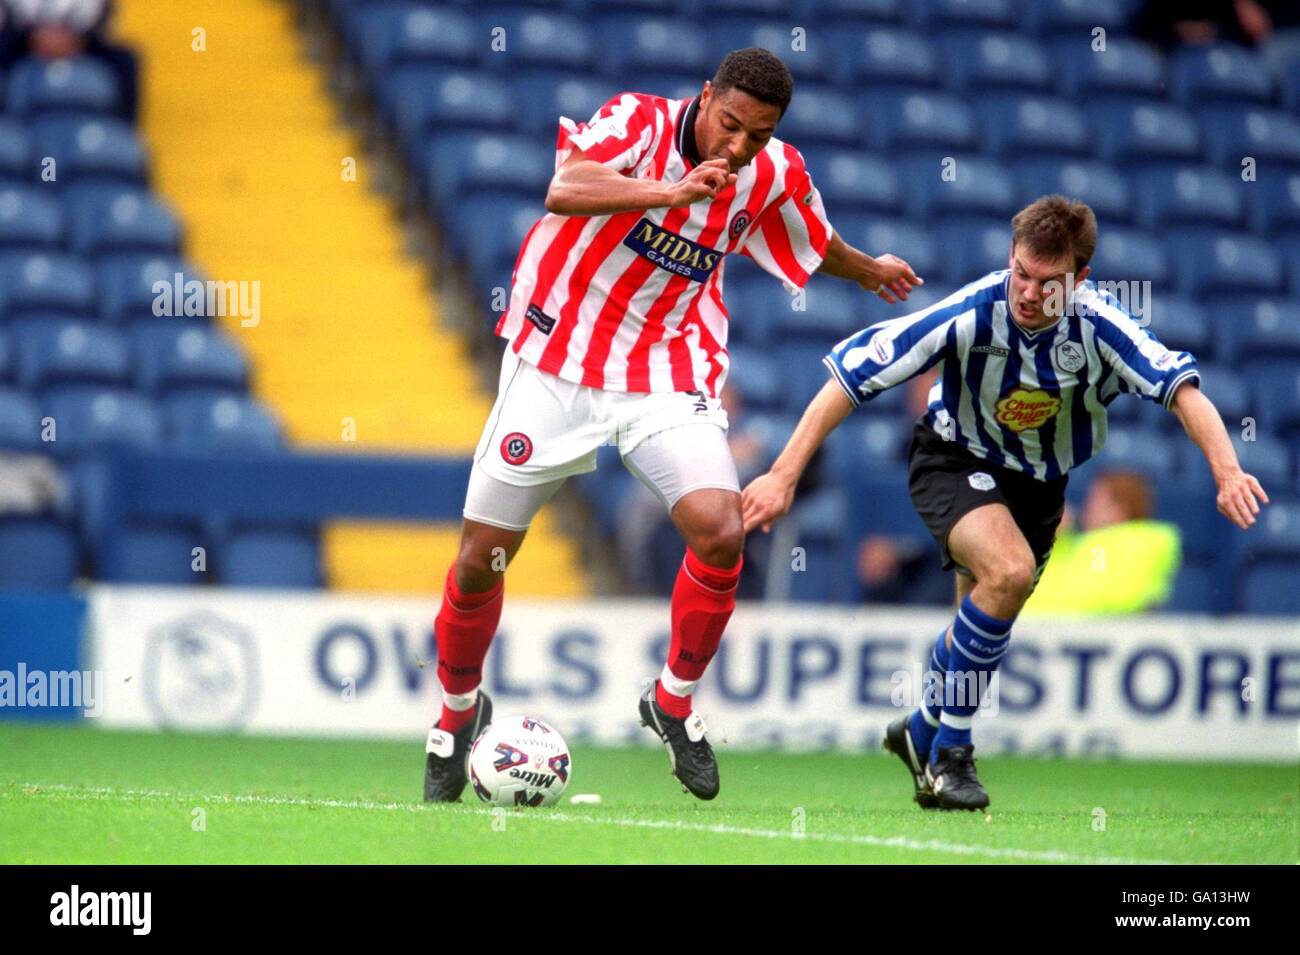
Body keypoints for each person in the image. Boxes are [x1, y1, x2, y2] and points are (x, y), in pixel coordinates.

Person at [423, 48, 921, 803]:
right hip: (556, 358)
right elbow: (565, 186)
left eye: (758, 134)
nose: (739, 146)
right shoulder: (636, 121)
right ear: (704, 98)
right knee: (480, 559)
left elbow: (815, 244)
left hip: (664, 369)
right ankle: (457, 716)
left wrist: (871, 269)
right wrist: (672, 190)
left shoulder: (773, 172)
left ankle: (674, 702)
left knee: (722, 529)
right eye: (730, 124)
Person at [741, 195, 1268, 811]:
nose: (1027, 291)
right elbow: (851, 376)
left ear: (1080, 282)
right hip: (954, 460)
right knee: (1008, 572)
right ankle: (950, 755)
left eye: (1048, 283)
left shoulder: (1102, 326)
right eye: (1020, 272)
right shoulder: (974, 310)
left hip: (1041, 487)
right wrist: (782, 473)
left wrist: (1227, 470)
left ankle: (919, 730)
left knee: (987, 614)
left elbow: (1183, 390)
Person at [1023, 470, 1182, 616]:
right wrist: (1052, 538)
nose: (1085, 507)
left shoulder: (1138, 543)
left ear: (1120, 508)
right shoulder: (1084, 545)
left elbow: (1094, 596)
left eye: (1095, 500)